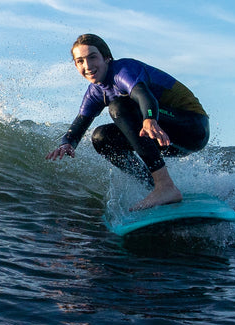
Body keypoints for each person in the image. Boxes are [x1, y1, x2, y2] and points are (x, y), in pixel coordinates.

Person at [45, 34, 210, 210]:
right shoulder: (95, 92)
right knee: (101, 137)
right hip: (164, 137)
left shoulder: (123, 70)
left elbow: (144, 96)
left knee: (120, 107)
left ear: (106, 57)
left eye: (92, 57)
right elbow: (80, 123)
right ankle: (156, 188)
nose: (87, 66)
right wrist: (67, 143)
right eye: (80, 61)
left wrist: (149, 119)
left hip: (192, 127)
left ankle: (165, 186)